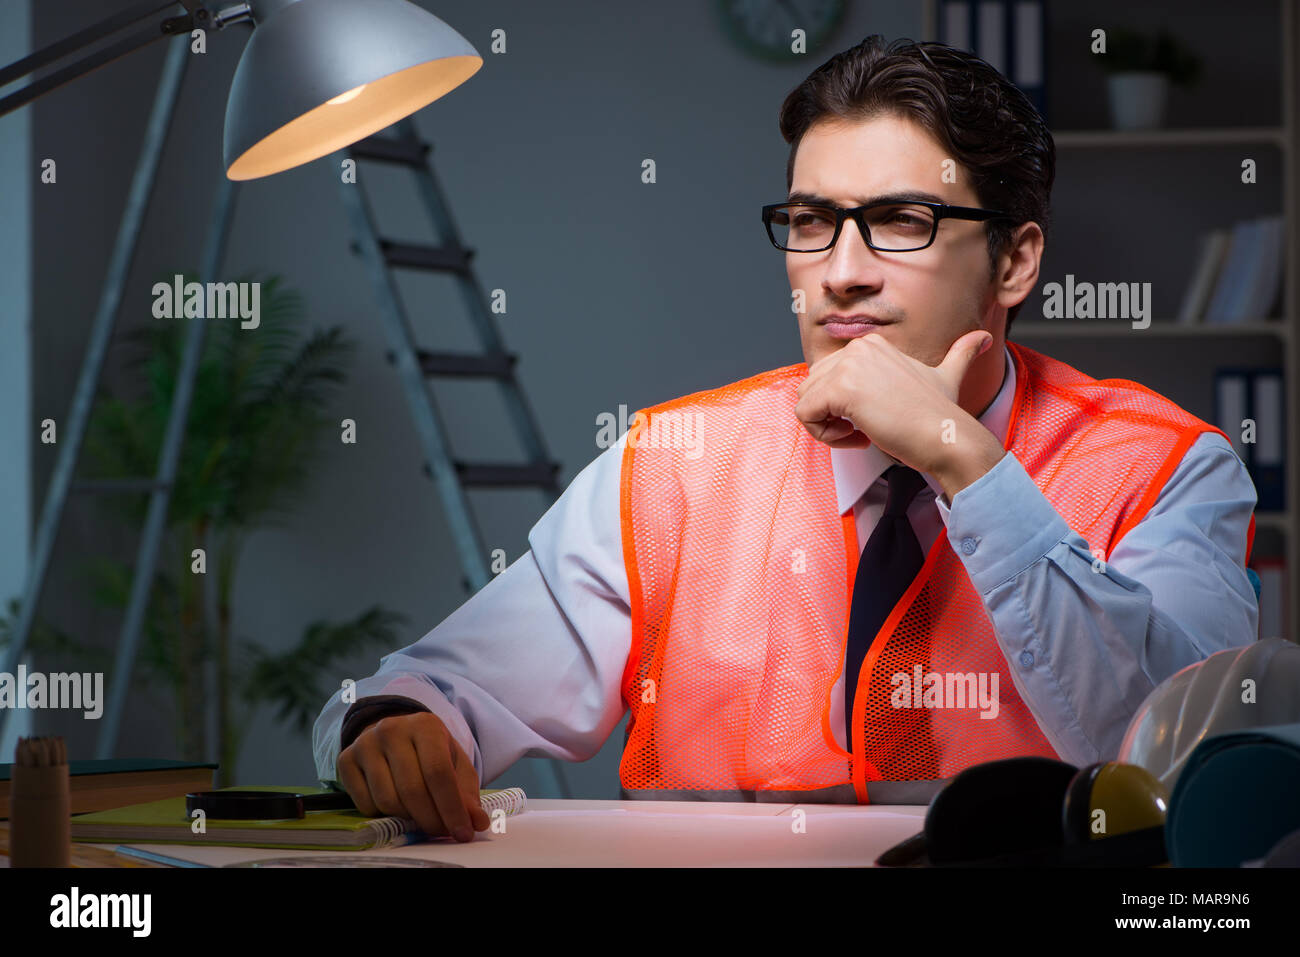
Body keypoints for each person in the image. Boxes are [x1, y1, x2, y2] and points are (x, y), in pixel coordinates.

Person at [312, 36, 1260, 843]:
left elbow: (1181, 766)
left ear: (1014, 259)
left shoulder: (1165, 467)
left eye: (900, 222)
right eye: (811, 224)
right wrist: (398, 722)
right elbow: (426, 689)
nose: (840, 274)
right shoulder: (674, 464)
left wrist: (963, 460)